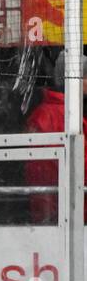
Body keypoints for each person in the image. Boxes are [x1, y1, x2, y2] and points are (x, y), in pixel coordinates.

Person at [25, 49, 87, 224]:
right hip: (63, 210)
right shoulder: (62, 116)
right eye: (85, 76)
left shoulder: (52, 113)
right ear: (73, 79)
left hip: (60, 207)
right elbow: (40, 171)